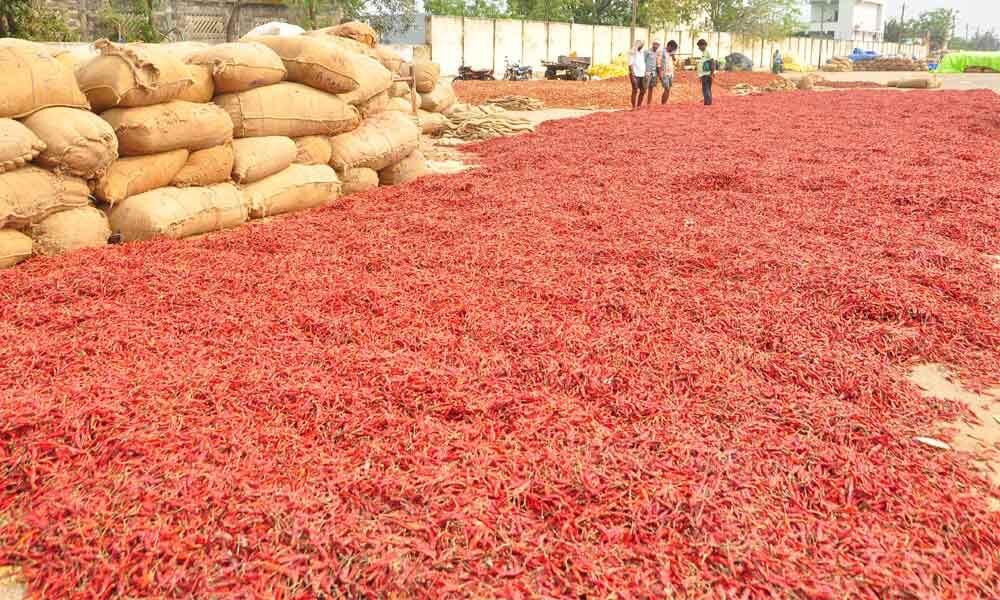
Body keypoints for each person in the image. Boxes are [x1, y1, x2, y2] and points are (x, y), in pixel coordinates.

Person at [628, 40, 648, 109]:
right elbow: (630, 65)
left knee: (643, 90)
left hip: (642, 74)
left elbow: (644, 63)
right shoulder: (632, 52)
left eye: (642, 44)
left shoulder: (643, 52)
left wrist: (645, 73)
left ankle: (639, 106)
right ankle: (633, 107)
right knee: (635, 90)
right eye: (641, 44)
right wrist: (632, 75)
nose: (642, 46)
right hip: (635, 74)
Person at [658, 40, 678, 105]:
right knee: (666, 88)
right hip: (664, 73)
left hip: (670, 73)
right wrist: (660, 74)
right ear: (669, 46)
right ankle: (663, 104)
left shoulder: (671, 53)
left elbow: (675, 60)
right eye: (673, 48)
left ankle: (664, 103)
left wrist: (673, 55)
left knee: (668, 89)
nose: (673, 50)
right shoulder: (662, 52)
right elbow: (658, 63)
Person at [697, 38, 715, 106]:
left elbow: (712, 62)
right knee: (706, 88)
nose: (699, 48)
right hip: (704, 74)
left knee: (706, 89)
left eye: (699, 46)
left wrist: (712, 73)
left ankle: (707, 103)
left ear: (704, 45)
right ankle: (707, 102)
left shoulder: (708, 52)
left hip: (707, 74)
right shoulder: (704, 53)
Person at [643, 41, 660, 107]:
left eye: (658, 45)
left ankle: (648, 103)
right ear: (652, 44)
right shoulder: (647, 52)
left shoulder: (658, 53)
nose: (656, 46)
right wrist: (644, 71)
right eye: (655, 44)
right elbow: (643, 61)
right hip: (647, 72)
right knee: (644, 89)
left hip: (654, 73)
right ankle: (640, 103)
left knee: (651, 88)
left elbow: (658, 63)